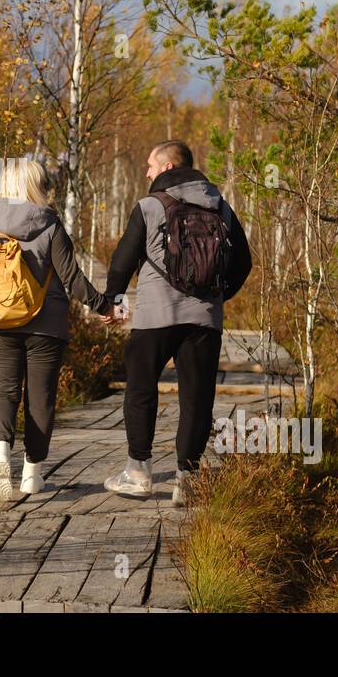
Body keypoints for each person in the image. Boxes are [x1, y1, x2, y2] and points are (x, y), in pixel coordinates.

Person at [100, 140, 252, 505]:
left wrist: (114, 304)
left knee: (140, 390)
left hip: (155, 316)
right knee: (197, 398)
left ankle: (138, 473)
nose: (146, 171)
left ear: (167, 168)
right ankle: (186, 479)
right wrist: (216, 297)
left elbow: (123, 261)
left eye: (150, 165)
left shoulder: (150, 206)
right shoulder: (221, 207)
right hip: (204, 322)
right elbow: (243, 262)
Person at [0, 158, 113, 501]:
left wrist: (3, 301)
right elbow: (72, 279)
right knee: (40, 399)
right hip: (46, 327)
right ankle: (32, 475)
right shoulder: (51, 227)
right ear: (37, 187)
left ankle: (0, 457)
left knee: (2, 392)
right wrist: (104, 306)